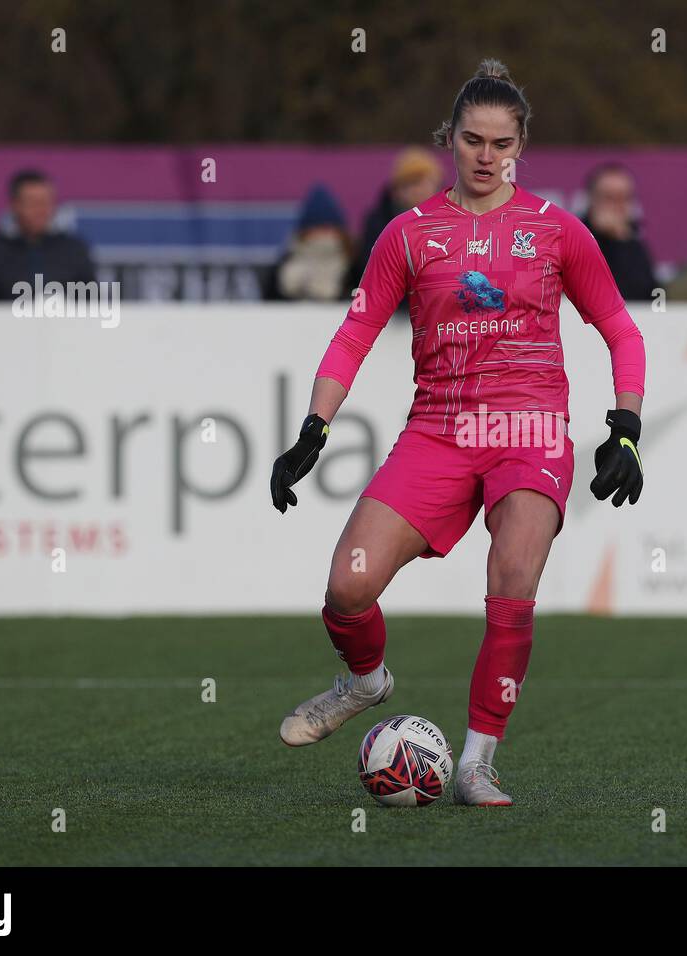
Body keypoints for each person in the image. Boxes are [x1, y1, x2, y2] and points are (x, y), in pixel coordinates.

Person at [269, 59, 647, 807]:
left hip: (530, 429)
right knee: (348, 585)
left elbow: (619, 328)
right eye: (471, 139)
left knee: (512, 576)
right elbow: (356, 334)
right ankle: (364, 682)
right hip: (438, 430)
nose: (485, 155)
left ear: (521, 145)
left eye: (500, 143)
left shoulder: (556, 231)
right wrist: (314, 427)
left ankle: (477, 762)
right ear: (449, 139)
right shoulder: (408, 235)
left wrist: (626, 427)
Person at [0, 169, 96, 300]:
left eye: (46, 202)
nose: (41, 210)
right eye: (32, 203)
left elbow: (92, 304)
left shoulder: (75, 251)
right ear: (14, 205)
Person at [344, 147, 446, 298]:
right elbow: (370, 268)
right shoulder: (378, 221)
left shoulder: (448, 220)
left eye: (427, 182)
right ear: (398, 189)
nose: (421, 190)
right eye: (413, 183)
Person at [580, 163, 657, 300]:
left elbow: (648, 294)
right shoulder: (575, 239)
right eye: (610, 198)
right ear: (592, 199)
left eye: (625, 197)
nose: (618, 206)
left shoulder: (633, 242)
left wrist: (621, 241)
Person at [265, 183, 353, 301]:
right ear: (303, 233)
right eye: (317, 228)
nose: (323, 235)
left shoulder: (354, 269)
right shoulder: (283, 267)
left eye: (328, 227)